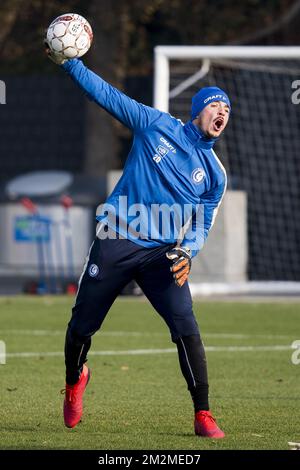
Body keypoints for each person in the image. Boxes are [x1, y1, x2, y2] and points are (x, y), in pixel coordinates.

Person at [46, 45, 230, 439]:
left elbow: (203, 221)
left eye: (227, 111)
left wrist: (189, 250)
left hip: (162, 253)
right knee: (82, 326)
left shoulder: (214, 173)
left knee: (186, 325)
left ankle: (203, 413)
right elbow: (107, 95)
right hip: (116, 238)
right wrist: (70, 63)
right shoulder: (155, 124)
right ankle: (75, 380)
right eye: (216, 107)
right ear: (197, 110)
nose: (222, 114)